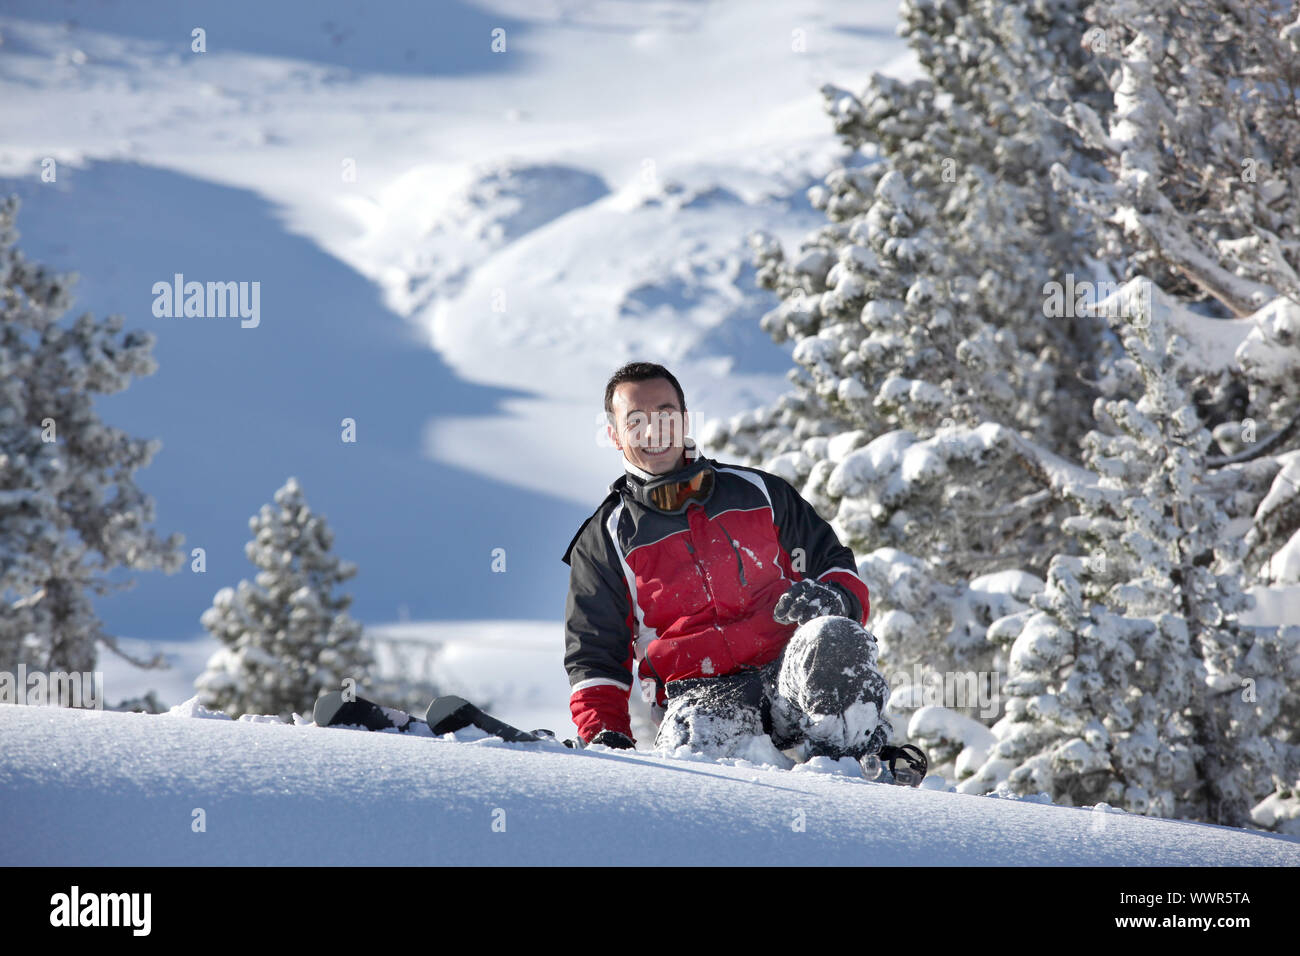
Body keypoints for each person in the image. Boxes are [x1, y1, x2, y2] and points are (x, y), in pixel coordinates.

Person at [562, 361, 897, 765]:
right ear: (614, 435)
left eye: (666, 415)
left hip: (788, 673)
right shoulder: (604, 539)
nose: (653, 431)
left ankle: (859, 775)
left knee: (835, 636)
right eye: (635, 421)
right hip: (699, 698)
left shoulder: (759, 492)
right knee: (700, 762)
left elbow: (834, 562)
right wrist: (605, 737)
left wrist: (833, 598)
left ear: (685, 419)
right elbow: (595, 658)